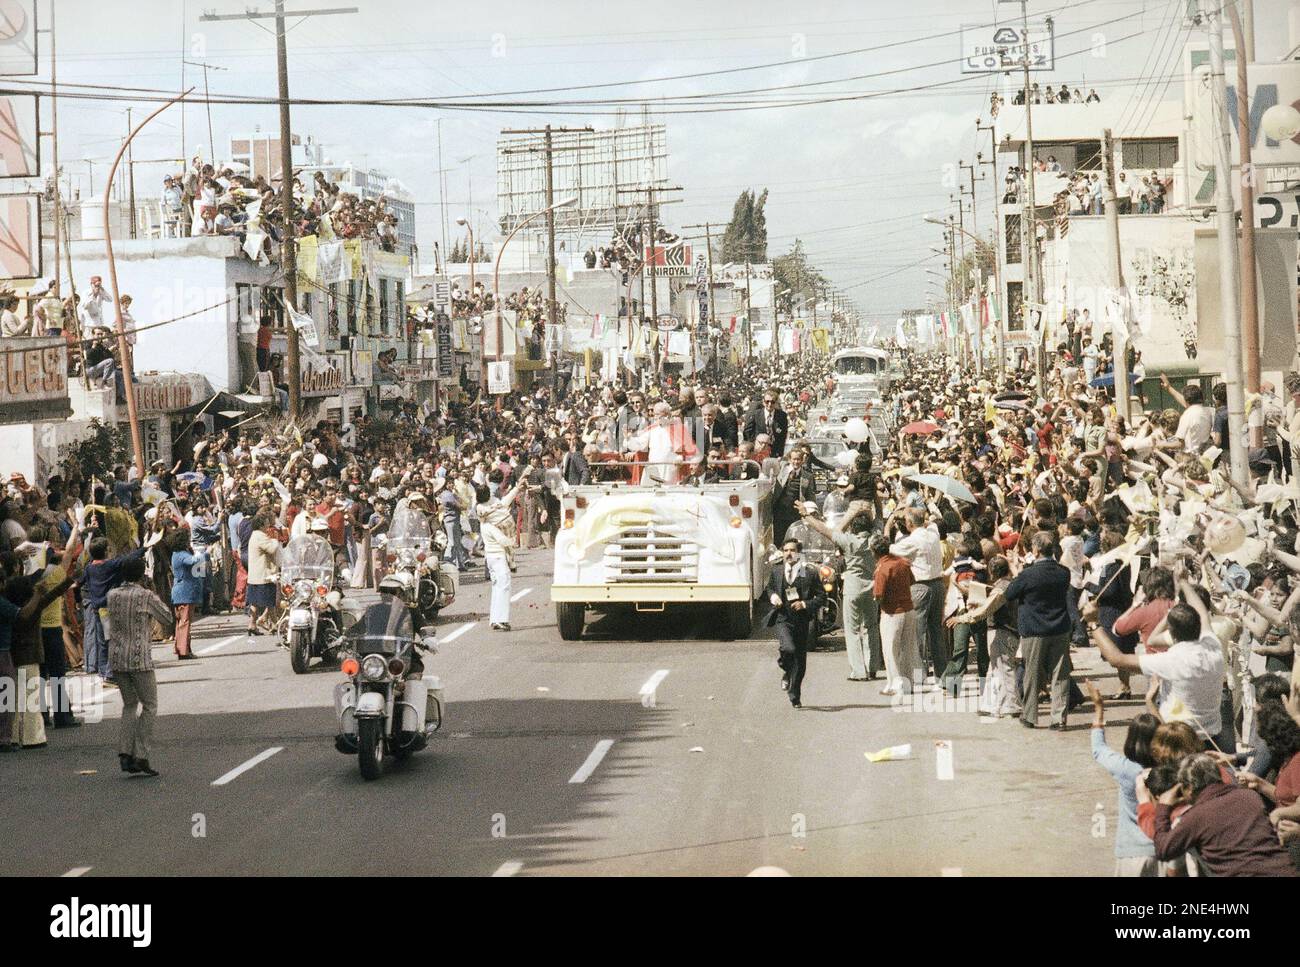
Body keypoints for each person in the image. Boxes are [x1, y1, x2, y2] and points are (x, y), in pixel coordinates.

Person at [1096, 576, 1226, 746]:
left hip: (1178, 740)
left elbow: (1116, 659)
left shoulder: (1171, 659)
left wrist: (1094, 625)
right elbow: (1202, 612)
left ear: (1171, 633)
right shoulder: (1213, 647)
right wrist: (1184, 581)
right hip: (1211, 739)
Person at [1151, 753, 1297, 876]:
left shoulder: (1195, 817)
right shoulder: (1249, 797)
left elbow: (1163, 850)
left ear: (1188, 788)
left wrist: (1163, 807)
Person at [800, 499, 882, 681]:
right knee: (871, 627)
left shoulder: (848, 540)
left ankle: (858, 671)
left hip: (852, 587)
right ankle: (872, 666)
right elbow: (879, 520)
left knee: (852, 631)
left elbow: (826, 530)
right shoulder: (875, 538)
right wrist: (869, 509)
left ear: (853, 527)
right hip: (872, 586)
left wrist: (806, 515)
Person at [107, 555, 173, 778]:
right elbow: (166, 617)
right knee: (150, 705)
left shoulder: (112, 595)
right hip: (139, 658)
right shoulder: (144, 596)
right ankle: (141, 753)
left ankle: (125, 752)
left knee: (129, 705)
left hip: (117, 657)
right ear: (141, 573)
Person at [1087, 682, 1160, 875]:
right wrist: (1150, 702)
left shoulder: (1126, 769)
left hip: (1132, 852)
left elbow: (1098, 748)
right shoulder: (1169, 768)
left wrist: (1099, 707)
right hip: (1165, 850)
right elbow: (1170, 736)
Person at [1004, 530, 1073, 729]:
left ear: (1035, 549)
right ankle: (1059, 718)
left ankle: (1030, 714)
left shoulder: (1028, 574)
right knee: (1060, 675)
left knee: (1032, 674)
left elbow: (1010, 593)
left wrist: (1016, 570)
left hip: (1034, 629)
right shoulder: (1063, 572)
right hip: (1059, 627)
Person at [764, 537, 826, 708]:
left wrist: (805, 604)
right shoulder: (777, 571)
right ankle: (786, 669)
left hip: (801, 620)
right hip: (783, 617)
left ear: (799, 553)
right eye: (785, 551)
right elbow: (769, 588)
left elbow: (822, 597)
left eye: (792, 550)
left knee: (800, 660)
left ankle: (795, 695)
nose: (788, 554)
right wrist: (773, 596)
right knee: (787, 648)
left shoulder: (809, 573)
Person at [888, 507, 946, 681]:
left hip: (920, 586)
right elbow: (932, 523)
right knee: (936, 632)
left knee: (917, 632)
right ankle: (941, 674)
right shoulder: (933, 534)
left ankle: (919, 674)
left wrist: (890, 523)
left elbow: (890, 549)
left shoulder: (912, 541)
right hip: (938, 585)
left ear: (909, 523)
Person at [872, 532, 919, 696]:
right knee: (907, 648)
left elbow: (878, 595)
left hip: (892, 613)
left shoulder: (882, 568)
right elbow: (912, 581)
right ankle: (907, 683)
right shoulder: (903, 563)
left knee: (890, 650)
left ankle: (895, 684)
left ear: (874, 551)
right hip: (909, 609)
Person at [479, 469, 522, 631]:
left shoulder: (488, 516)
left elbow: (504, 502)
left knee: (497, 586)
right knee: (503, 585)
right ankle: (501, 619)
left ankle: (495, 618)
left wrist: (516, 488)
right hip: (497, 557)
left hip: (492, 558)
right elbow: (503, 540)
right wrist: (512, 542)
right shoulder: (488, 522)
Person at [169, 528, 206, 660]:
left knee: (181, 623)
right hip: (185, 591)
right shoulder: (181, 555)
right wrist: (202, 553)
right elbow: (194, 561)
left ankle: (182, 648)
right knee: (185, 622)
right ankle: (183, 650)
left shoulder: (177, 554)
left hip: (181, 591)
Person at [245, 511, 283, 637]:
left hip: (255, 575)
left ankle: (252, 624)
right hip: (264, 575)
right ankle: (275, 625)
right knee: (270, 602)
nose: (269, 524)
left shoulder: (255, 535)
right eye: (266, 522)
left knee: (255, 602)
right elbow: (272, 548)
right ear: (261, 524)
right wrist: (275, 540)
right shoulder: (260, 536)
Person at [743, 389, 789, 457]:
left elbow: (783, 436)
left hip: (775, 452)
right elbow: (747, 431)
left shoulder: (782, 416)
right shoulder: (756, 414)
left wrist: (780, 452)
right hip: (758, 451)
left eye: (772, 402)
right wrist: (754, 444)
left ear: (776, 402)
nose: (769, 404)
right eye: (767, 402)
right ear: (763, 402)